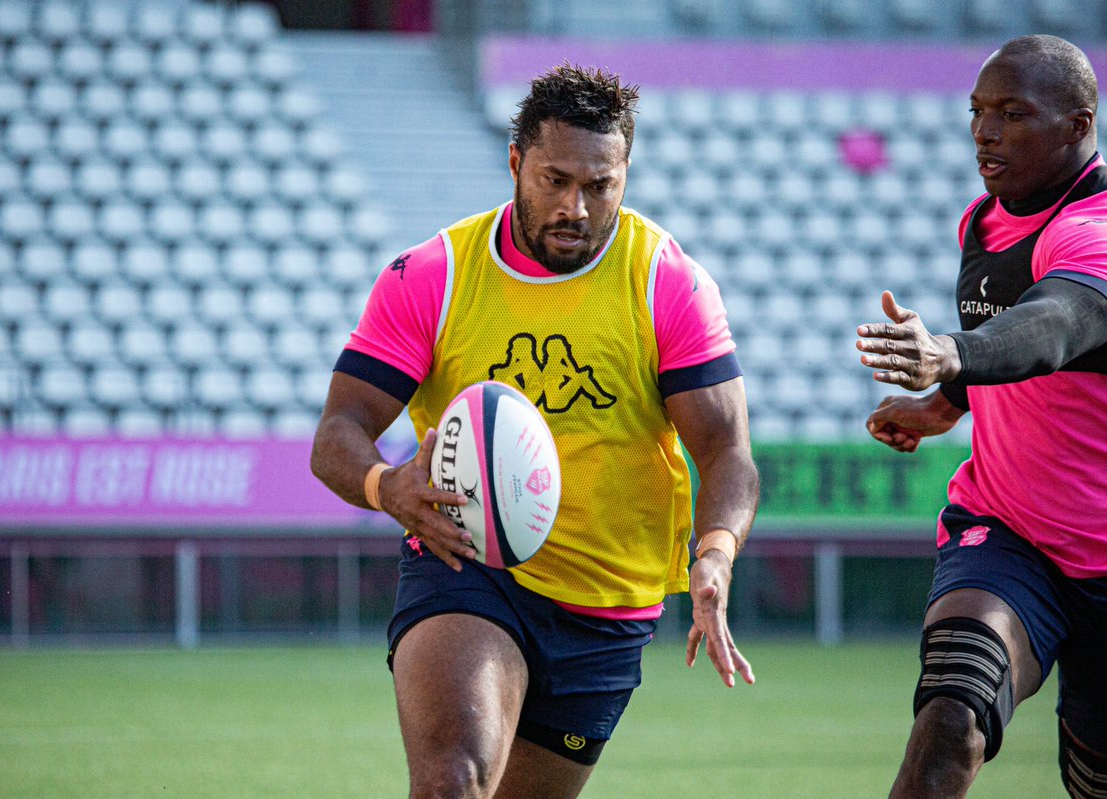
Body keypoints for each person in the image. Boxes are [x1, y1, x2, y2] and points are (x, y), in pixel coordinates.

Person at [311, 64, 759, 797]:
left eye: (599, 186)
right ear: (516, 162)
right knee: (454, 779)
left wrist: (715, 555)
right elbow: (338, 430)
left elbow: (727, 452)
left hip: (607, 600)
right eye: (555, 180)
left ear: (625, 176)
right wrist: (384, 485)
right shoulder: (436, 275)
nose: (575, 207)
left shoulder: (667, 282)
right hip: (467, 559)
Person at [855, 35, 1107, 799]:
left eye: (1012, 113)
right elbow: (1012, 335)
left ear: (1077, 125)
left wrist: (948, 355)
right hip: (1009, 533)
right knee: (951, 713)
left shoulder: (1094, 230)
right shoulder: (983, 221)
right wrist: (945, 402)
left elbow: (1054, 325)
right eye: (977, 111)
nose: (984, 132)